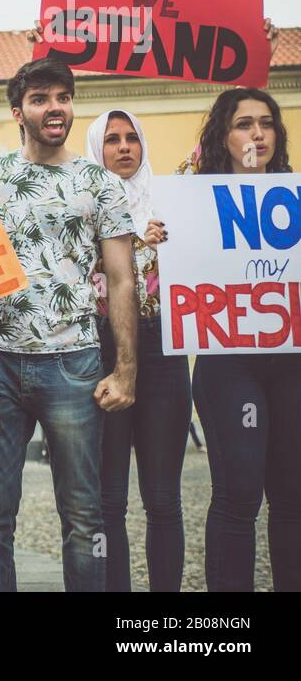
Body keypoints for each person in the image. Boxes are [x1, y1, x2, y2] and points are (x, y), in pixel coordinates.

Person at [0, 57, 138, 592]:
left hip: (74, 364)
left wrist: (126, 370)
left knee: (84, 516)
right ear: (17, 110)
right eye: (40, 98)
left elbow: (121, 280)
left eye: (62, 97)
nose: (54, 108)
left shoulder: (100, 183)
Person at [178, 87, 299, 591]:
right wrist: (161, 237)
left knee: (293, 495)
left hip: (291, 360)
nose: (256, 134)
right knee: (239, 493)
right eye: (244, 123)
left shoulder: (294, 193)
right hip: (228, 362)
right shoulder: (192, 196)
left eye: (266, 123)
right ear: (222, 137)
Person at [83, 109, 189, 592]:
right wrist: (130, 246)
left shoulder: (171, 203)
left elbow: (216, 170)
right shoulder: (79, 208)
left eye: (132, 138)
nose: (124, 147)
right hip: (102, 348)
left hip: (163, 349)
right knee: (108, 499)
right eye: (111, 140)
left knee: (164, 498)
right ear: (94, 149)